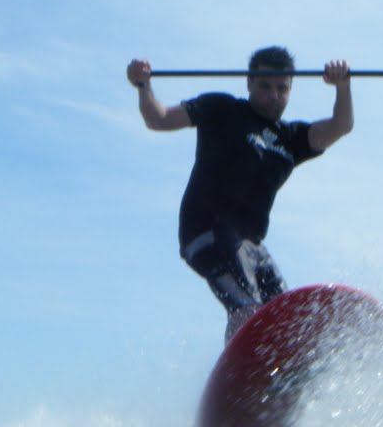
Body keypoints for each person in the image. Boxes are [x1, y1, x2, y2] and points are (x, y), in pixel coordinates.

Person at [127, 46, 354, 340]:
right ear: (249, 83)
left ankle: (284, 377)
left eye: (282, 89)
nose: (274, 95)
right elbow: (158, 119)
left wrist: (343, 86)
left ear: (291, 89)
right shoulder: (220, 109)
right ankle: (240, 379)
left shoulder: (291, 139)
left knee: (287, 321)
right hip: (207, 232)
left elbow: (341, 126)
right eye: (265, 86)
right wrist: (143, 86)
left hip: (251, 245)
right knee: (247, 310)